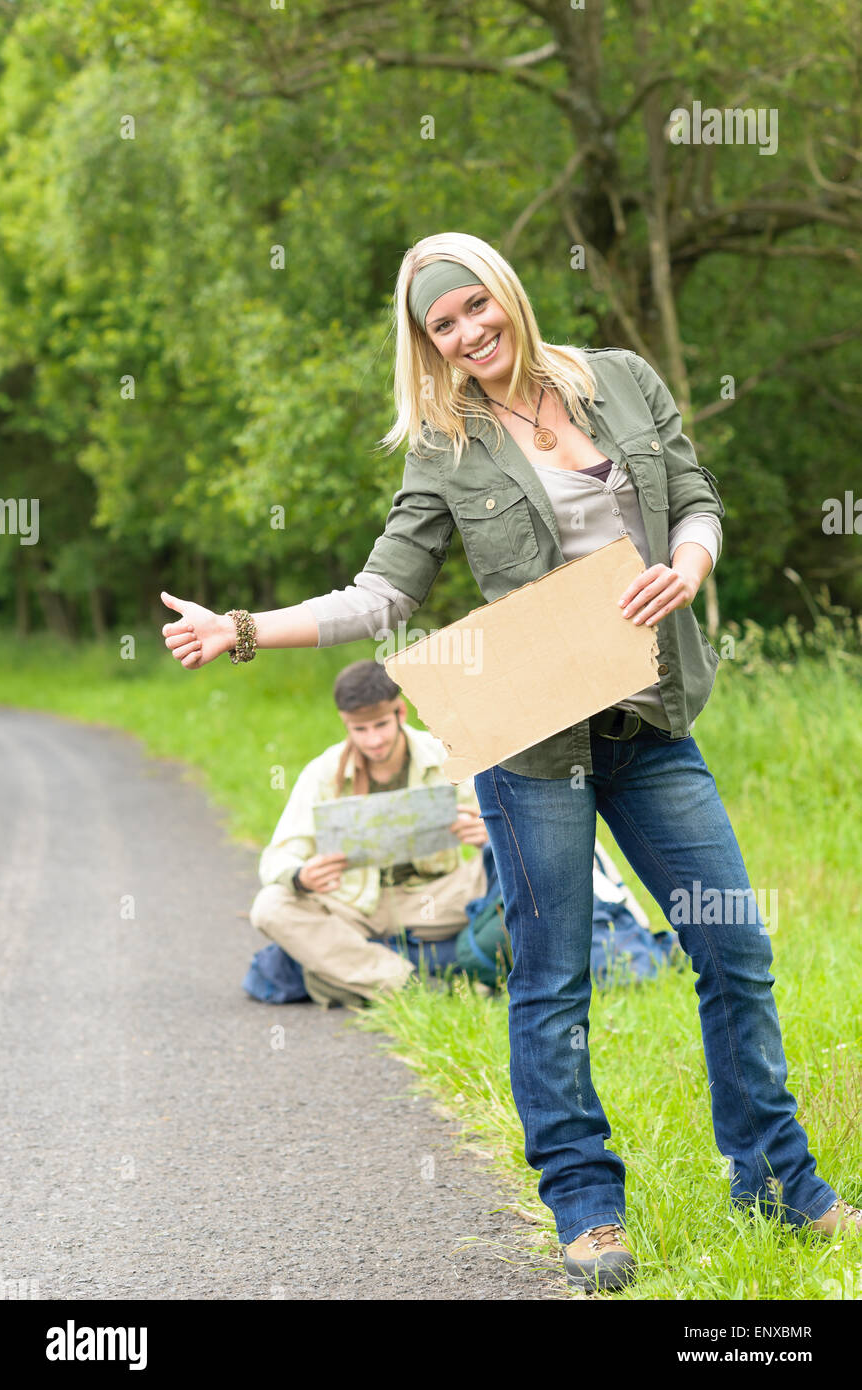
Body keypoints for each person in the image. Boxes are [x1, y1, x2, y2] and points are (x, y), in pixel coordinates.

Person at [160, 230, 861, 1294]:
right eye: (440, 325)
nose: (466, 332)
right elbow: (382, 595)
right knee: (550, 976)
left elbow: (698, 496)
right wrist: (246, 627)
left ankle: (776, 1181)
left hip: (652, 724)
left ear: (506, 295)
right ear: (425, 344)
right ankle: (584, 1210)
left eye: (474, 307)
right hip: (533, 735)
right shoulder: (444, 447)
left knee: (735, 948)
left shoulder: (617, 381)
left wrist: (686, 561)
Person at [246, 658, 490, 1007]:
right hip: (354, 905)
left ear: (400, 713)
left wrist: (486, 833)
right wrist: (302, 876)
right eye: (360, 730)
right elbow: (277, 857)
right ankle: (408, 984)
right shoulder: (322, 772)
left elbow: (504, 823)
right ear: (345, 724)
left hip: (433, 899)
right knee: (271, 905)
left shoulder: (444, 755)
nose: (373, 740)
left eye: (380, 725)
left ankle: (337, 977)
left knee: (511, 864)